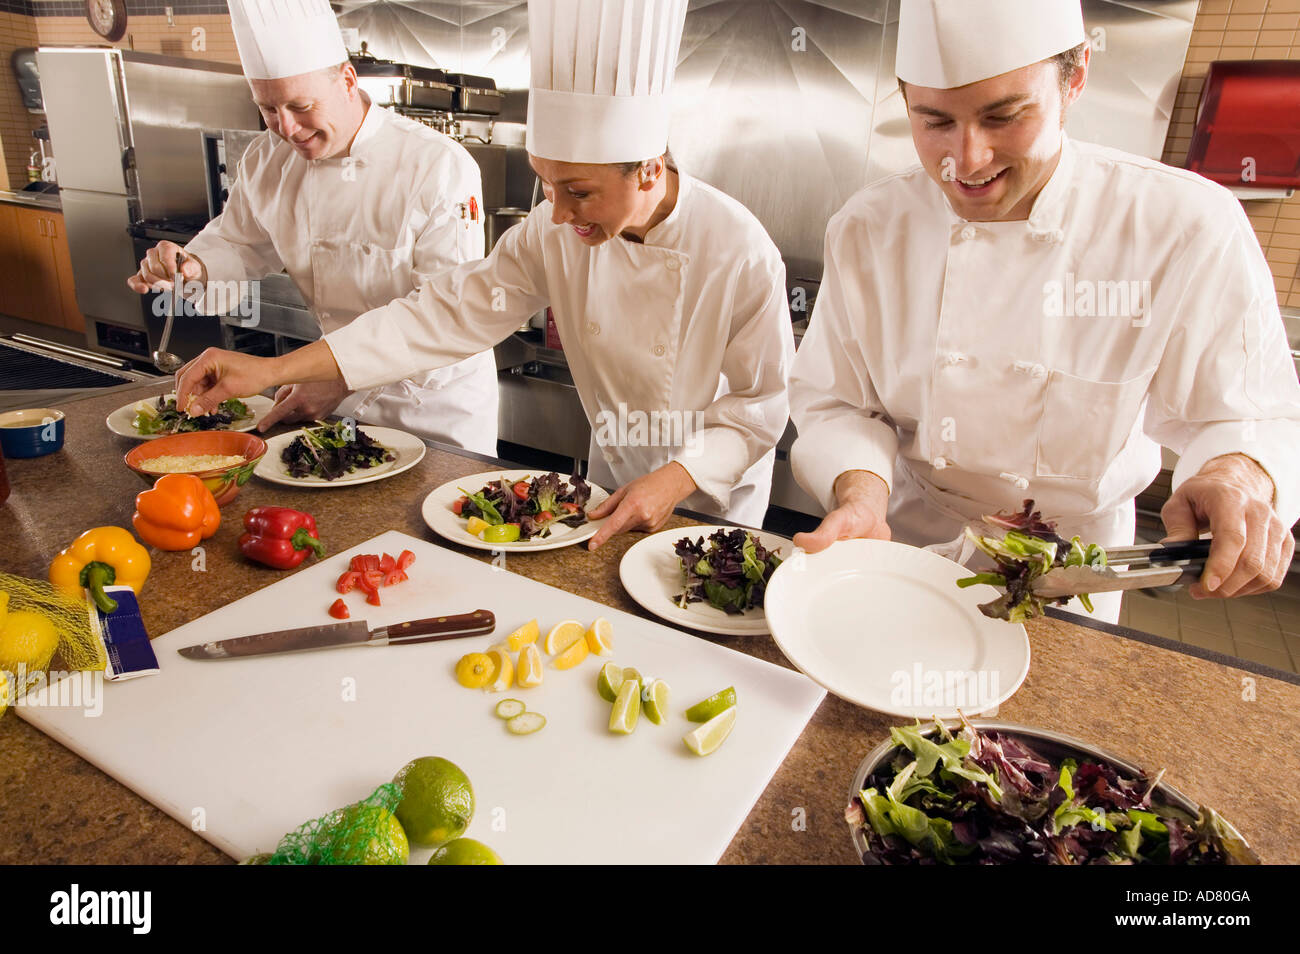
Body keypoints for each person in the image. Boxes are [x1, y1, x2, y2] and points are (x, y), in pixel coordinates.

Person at [175, 0, 794, 549]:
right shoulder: (556, 230)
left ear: (649, 170)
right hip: (613, 475)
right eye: (544, 184)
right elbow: (443, 312)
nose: (556, 212)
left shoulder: (739, 252)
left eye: (578, 191)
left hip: (715, 498)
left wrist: (677, 478)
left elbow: (758, 409)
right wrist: (274, 369)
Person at [788, 0, 1299, 621]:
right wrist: (860, 491)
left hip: (1072, 575)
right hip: (905, 545)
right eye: (934, 122)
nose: (967, 160)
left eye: (1005, 115)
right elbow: (839, 402)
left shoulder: (1185, 225)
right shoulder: (869, 229)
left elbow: (1254, 413)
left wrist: (1238, 477)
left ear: (1076, 76)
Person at [127, 0, 499, 455]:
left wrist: (331, 377)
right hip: (328, 391)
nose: (287, 128)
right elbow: (239, 243)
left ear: (347, 81)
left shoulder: (436, 165)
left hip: (431, 405)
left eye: (300, 105)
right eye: (267, 109)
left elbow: (441, 317)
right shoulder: (267, 158)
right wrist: (192, 264)